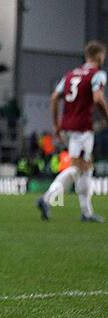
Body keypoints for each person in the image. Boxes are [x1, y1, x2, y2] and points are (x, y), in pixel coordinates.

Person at [38, 40, 106, 222]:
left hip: (68, 127)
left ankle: (87, 212)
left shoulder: (70, 75)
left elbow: (54, 97)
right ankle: (47, 198)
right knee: (78, 167)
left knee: (86, 166)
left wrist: (56, 124)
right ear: (99, 56)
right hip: (82, 129)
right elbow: (98, 98)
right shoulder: (97, 75)